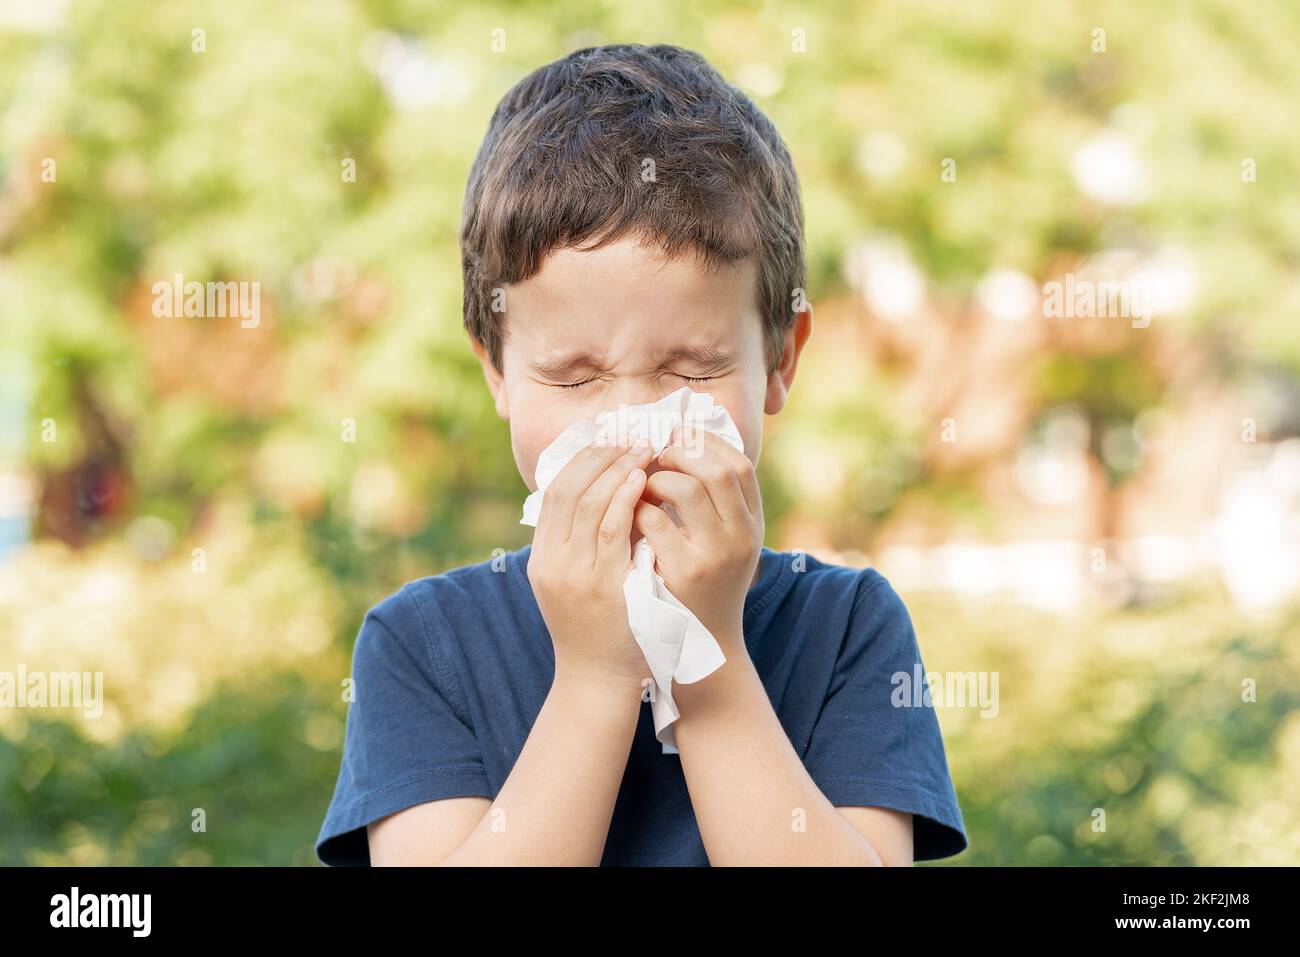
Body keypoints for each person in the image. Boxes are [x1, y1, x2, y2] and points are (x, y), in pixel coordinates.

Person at [316, 43, 967, 866]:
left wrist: (709, 661)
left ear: (779, 359)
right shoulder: (423, 645)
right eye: (572, 374)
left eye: (692, 368)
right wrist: (595, 676)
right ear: (498, 373)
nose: (632, 422)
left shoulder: (846, 629)